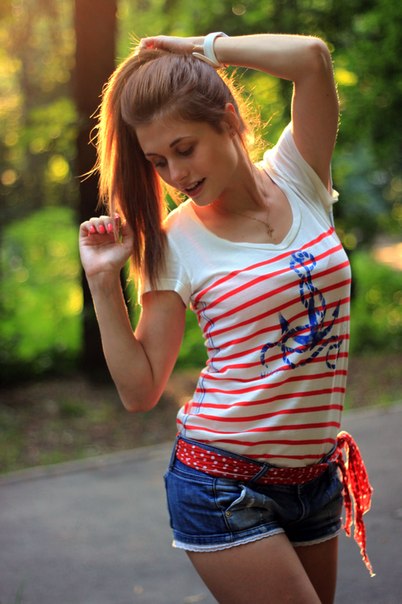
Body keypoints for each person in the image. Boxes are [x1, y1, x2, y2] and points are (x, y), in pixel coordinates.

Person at [79, 32, 374, 603]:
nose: (174, 174)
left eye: (184, 148)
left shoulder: (299, 175)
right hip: (222, 486)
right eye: (158, 161)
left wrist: (203, 49)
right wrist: (101, 281)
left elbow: (312, 60)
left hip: (314, 479)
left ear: (229, 119)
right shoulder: (174, 243)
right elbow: (141, 390)